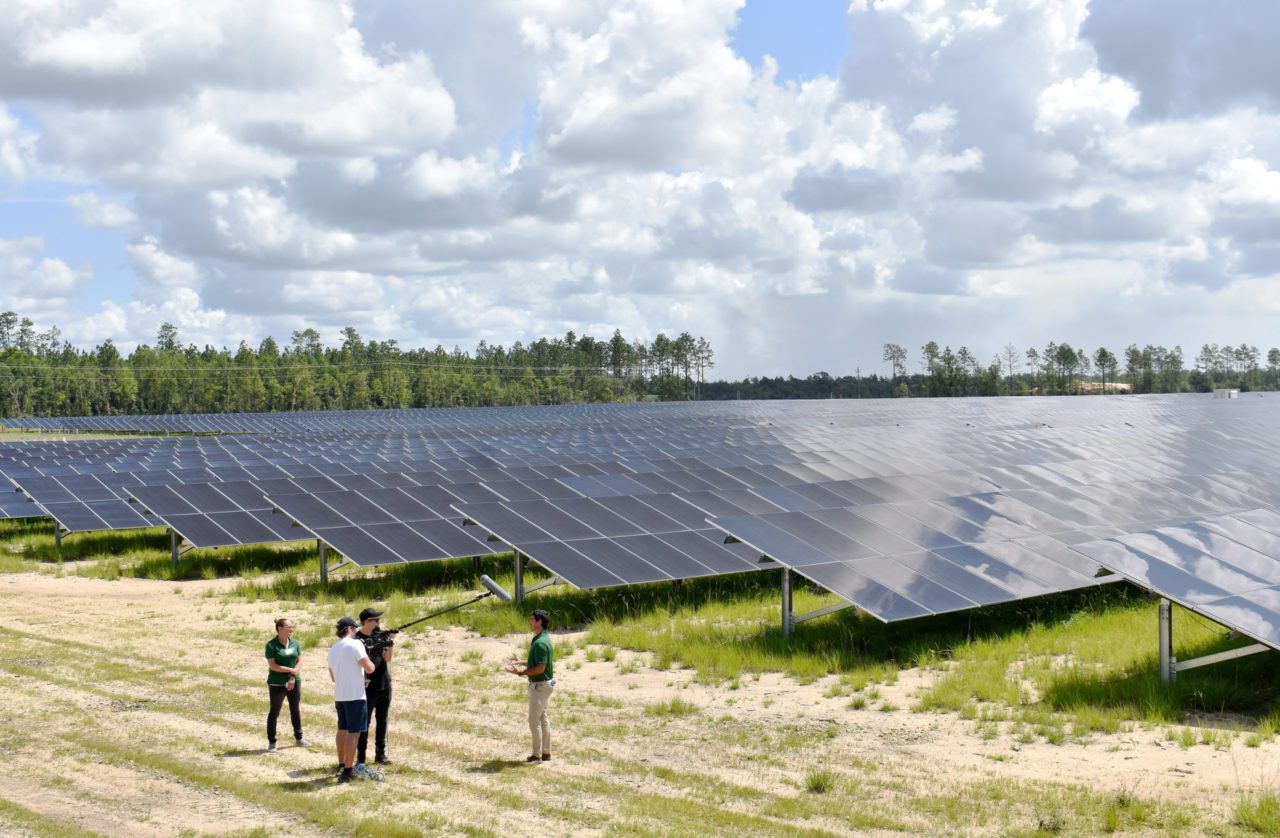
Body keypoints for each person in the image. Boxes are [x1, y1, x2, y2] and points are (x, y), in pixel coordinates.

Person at [328, 616, 375, 784]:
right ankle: (348, 770)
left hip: (340, 695)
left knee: (342, 729)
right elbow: (369, 667)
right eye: (354, 628)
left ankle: (341, 764)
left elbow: (333, 677)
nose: (356, 631)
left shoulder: (333, 649)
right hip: (355, 695)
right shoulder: (356, 644)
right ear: (349, 629)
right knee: (354, 733)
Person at [506, 609, 555, 763]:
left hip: (539, 686)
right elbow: (539, 662)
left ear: (539, 622)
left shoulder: (540, 643)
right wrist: (522, 661)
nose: (529, 622)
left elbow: (540, 667)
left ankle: (536, 755)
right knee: (543, 718)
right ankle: (546, 753)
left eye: (532, 619)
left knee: (534, 722)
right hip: (545, 685)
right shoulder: (542, 638)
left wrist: (520, 673)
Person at [355, 606, 394, 765]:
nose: (379, 622)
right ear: (366, 622)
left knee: (382, 719)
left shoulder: (380, 636)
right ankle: (361, 758)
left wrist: (390, 643)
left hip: (384, 683)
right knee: (365, 722)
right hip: (367, 686)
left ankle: (380, 754)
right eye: (376, 620)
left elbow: (387, 659)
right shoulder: (357, 640)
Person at [265, 617, 306, 752]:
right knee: (274, 712)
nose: (291, 629)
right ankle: (272, 741)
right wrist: (290, 670)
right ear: (280, 629)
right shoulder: (271, 645)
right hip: (277, 683)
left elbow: (300, 660)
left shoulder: (295, 643)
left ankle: (299, 738)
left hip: (294, 681)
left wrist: (293, 676)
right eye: (289, 627)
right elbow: (273, 666)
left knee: (295, 709)